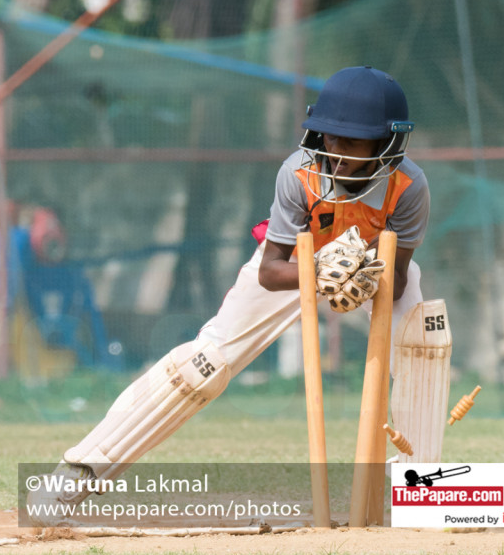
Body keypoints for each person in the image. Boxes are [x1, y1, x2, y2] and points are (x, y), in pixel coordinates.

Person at [33, 66, 430, 510]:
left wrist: (363, 274)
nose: (335, 151)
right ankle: (81, 470)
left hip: (369, 266)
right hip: (298, 262)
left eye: (351, 142)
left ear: (388, 142)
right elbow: (271, 269)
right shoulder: (298, 172)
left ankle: (418, 485)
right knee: (203, 364)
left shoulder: (409, 187)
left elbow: (397, 285)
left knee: (423, 341)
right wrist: (321, 270)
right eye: (329, 136)